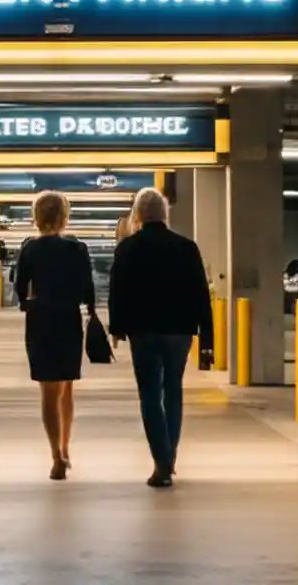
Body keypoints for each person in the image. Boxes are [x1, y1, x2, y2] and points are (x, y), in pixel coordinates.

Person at [108, 187, 214, 488]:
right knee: (173, 390)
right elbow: (200, 294)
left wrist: (116, 328)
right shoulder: (186, 247)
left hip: (143, 331)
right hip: (180, 330)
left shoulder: (128, 248)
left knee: (150, 395)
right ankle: (170, 457)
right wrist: (207, 335)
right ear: (165, 213)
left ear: (138, 215)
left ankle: (161, 462)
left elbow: (118, 291)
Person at [14, 191, 96, 481]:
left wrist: (29, 302)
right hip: (68, 319)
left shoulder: (30, 249)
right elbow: (88, 288)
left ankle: (55, 455)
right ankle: (65, 446)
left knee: (48, 390)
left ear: (36, 216)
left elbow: (19, 288)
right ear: (65, 216)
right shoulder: (77, 249)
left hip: (40, 320)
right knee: (67, 388)